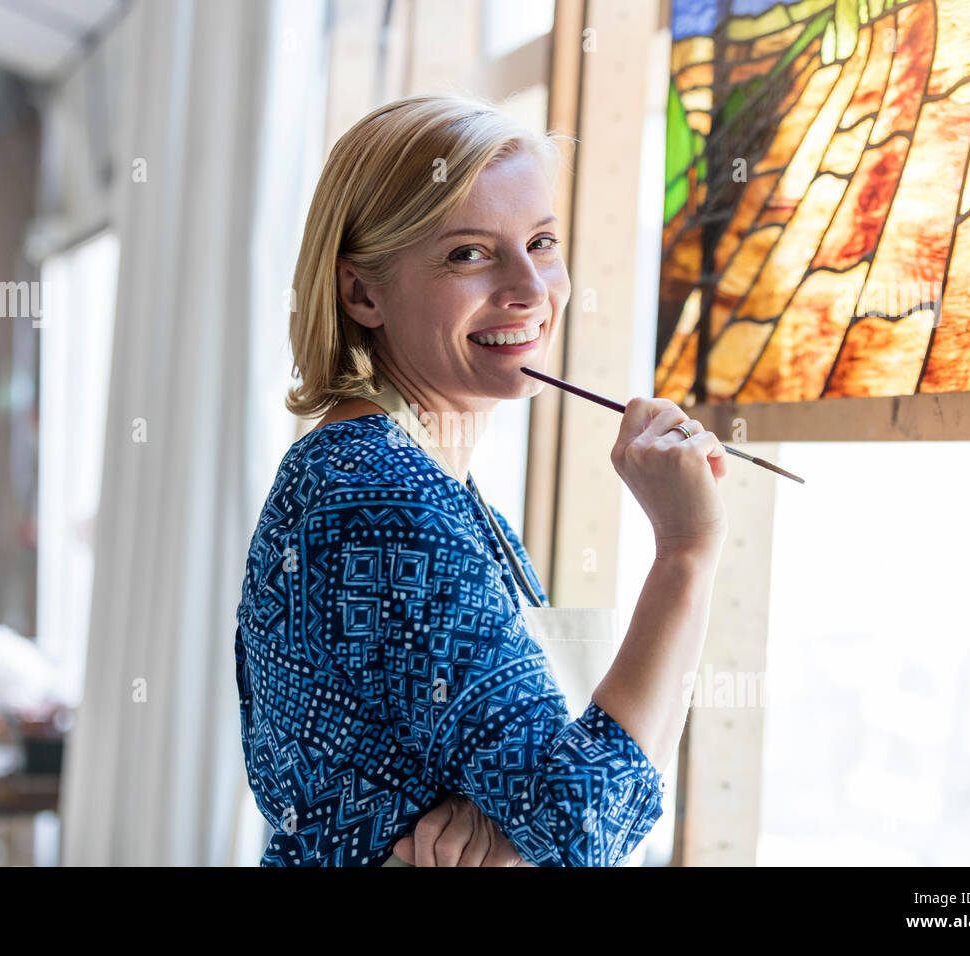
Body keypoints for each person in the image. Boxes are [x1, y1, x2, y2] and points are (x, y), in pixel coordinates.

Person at [234, 93, 729, 866]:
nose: (530, 289)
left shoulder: (413, 478)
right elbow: (578, 826)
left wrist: (508, 824)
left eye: (541, 242)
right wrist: (686, 553)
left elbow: (556, 812)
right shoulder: (381, 497)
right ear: (363, 293)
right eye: (468, 253)